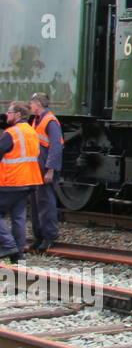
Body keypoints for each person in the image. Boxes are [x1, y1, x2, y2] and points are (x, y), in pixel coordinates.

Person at [0, 102, 43, 262]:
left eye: (9, 112)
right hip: (29, 181)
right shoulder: (32, 132)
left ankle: (8, 245)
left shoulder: (11, 133)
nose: (6, 115)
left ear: (18, 114)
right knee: (18, 217)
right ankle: (18, 255)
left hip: (11, 180)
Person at [27, 92, 62, 253]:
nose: (30, 106)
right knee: (36, 203)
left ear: (38, 104)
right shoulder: (37, 120)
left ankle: (49, 236)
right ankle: (39, 236)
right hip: (36, 169)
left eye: (32, 103)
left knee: (45, 202)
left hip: (44, 169)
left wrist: (50, 170)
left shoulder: (50, 121)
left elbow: (56, 147)